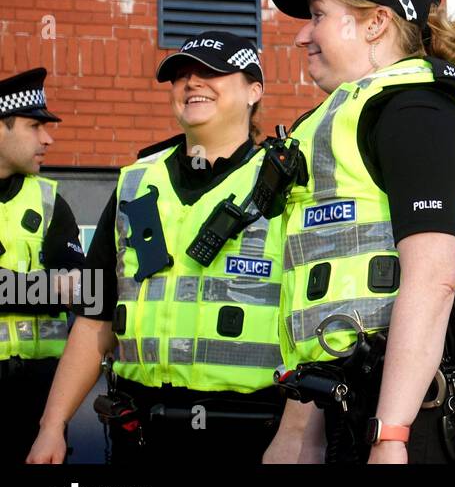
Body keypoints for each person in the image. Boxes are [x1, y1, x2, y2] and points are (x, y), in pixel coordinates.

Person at [261, 0, 455, 465]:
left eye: (319, 17)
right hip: (351, 405)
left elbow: (433, 277)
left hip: (416, 412)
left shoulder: (415, 109)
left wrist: (391, 435)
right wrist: (297, 431)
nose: (302, 36)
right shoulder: (357, 113)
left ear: (375, 23)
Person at [28, 33, 287, 464]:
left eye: (211, 71)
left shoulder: (286, 185)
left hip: (250, 433)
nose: (191, 82)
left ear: (254, 90)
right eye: (181, 75)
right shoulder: (135, 182)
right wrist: (52, 426)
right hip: (142, 430)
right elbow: (95, 321)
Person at [0, 68, 84, 463]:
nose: (48, 138)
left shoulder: (49, 200)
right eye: (35, 126)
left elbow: (85, 289)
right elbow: (62, 287)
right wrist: (48, 289)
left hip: (40, 401)